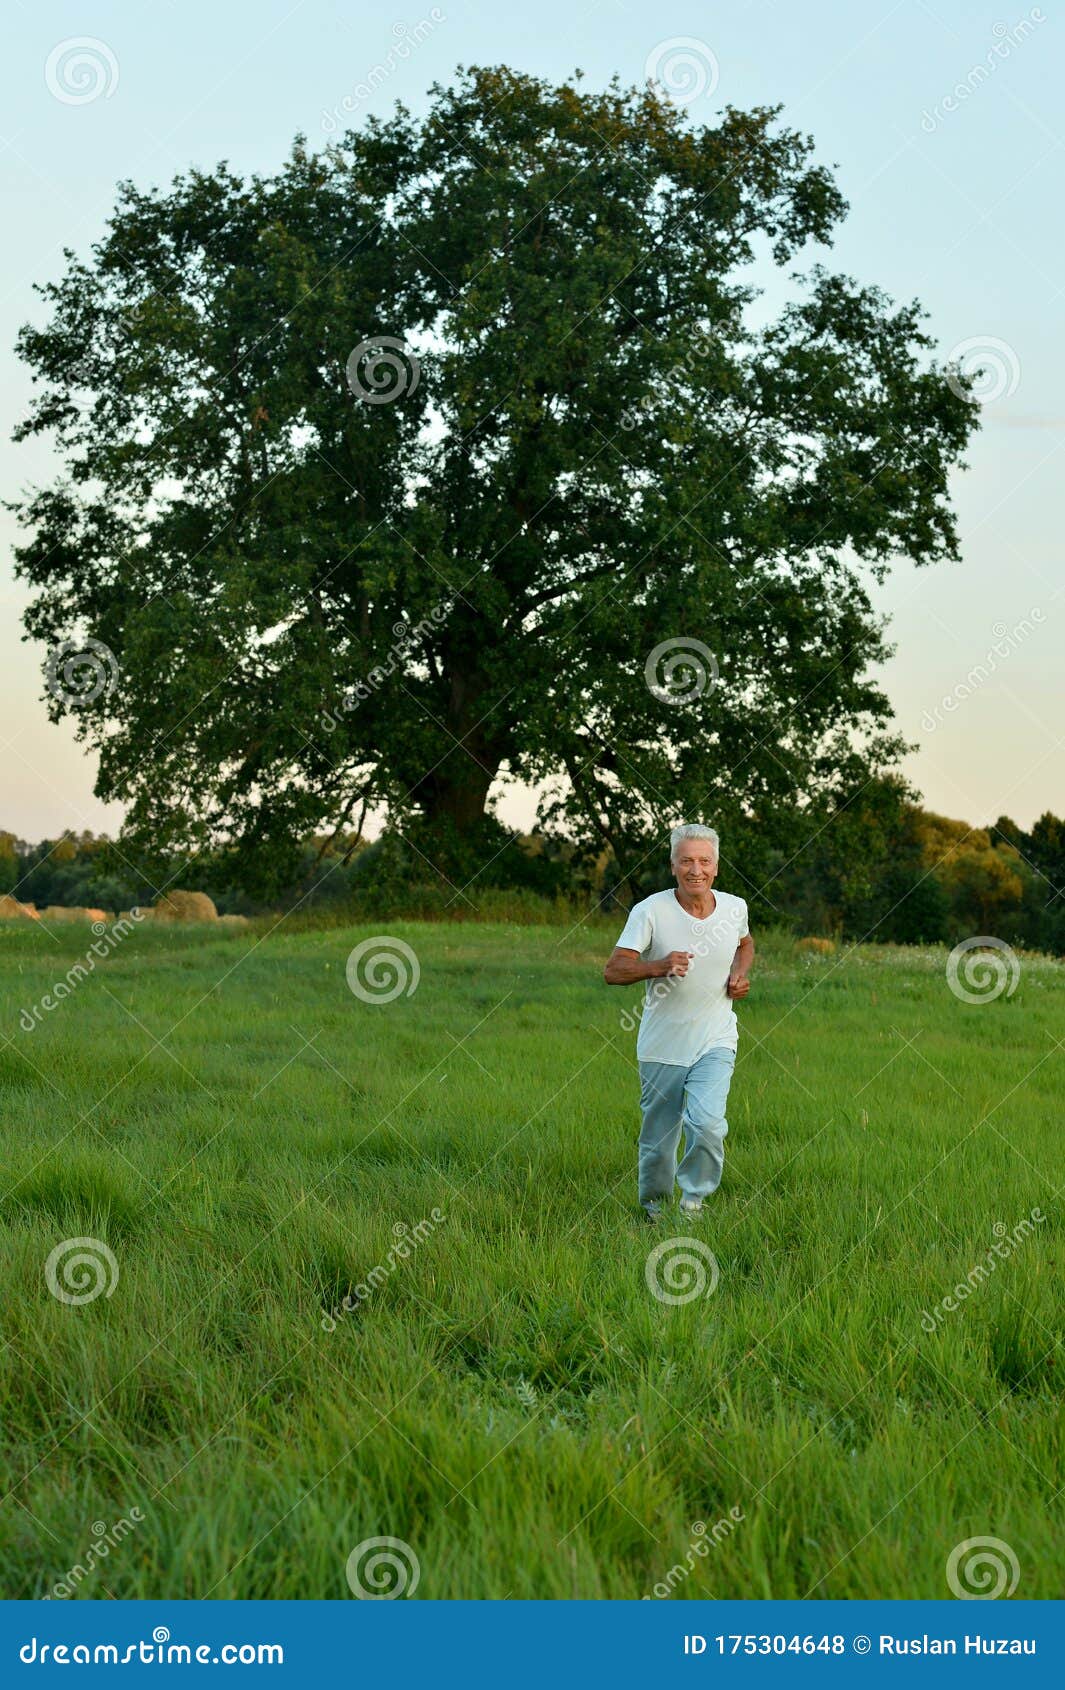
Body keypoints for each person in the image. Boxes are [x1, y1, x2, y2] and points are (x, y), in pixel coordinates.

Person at [602, 823, 754, 1221]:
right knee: (659, 1136)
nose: (696, 869)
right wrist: (658, 966)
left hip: (716, 1039)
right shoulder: (650, 910)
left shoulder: (735, 907)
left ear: (716, 868)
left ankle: (692, 1202)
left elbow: (745, 942)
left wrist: (739, 974)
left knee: (707, 1123)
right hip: (662, 1044)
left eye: (704, 861)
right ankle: (654, 1208)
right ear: (672, 866)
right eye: (686, 860)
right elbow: (613, 971)